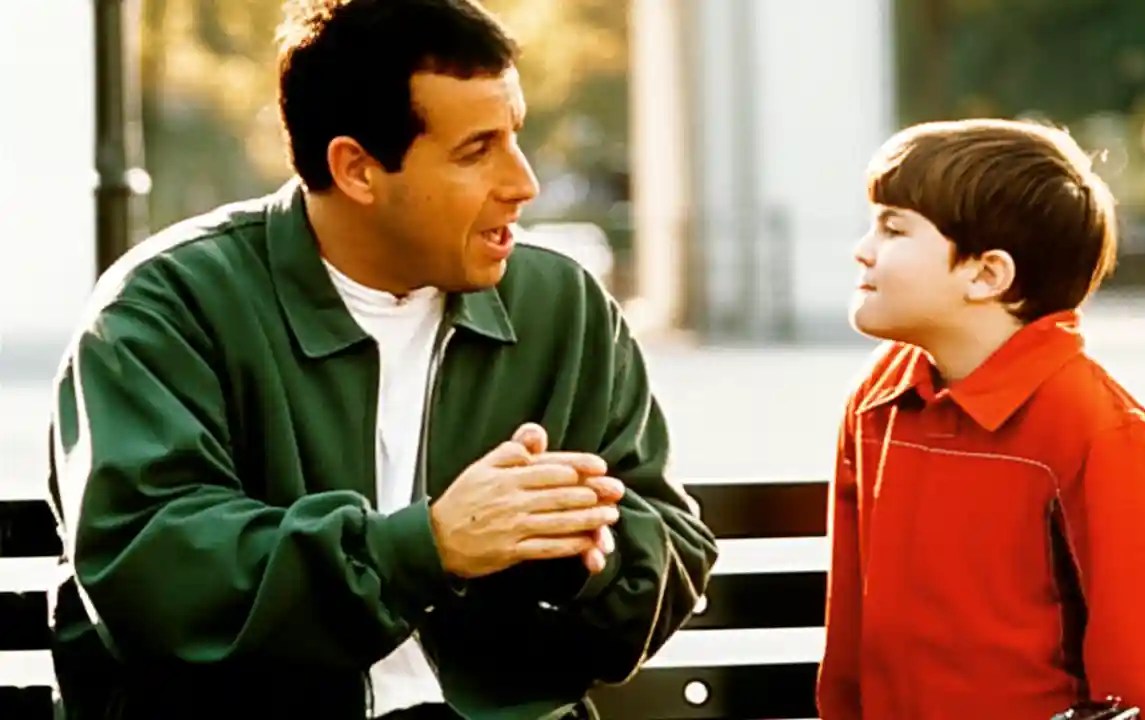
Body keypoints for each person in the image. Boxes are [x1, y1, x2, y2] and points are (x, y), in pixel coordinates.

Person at [45, 1, 717, 718]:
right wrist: (425, 549)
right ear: (357, 169)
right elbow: (155, 574)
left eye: (515, 136)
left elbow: (672, 543)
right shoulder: (165, 308)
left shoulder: (563, 307)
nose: (523, 183)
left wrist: (582, 551)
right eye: (475, 150)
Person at [816, 118, 1145, 719]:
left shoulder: (1101, 433)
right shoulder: (880, 399)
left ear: (986, 275)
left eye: (893, 228)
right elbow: (851, 655)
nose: (864, 248)